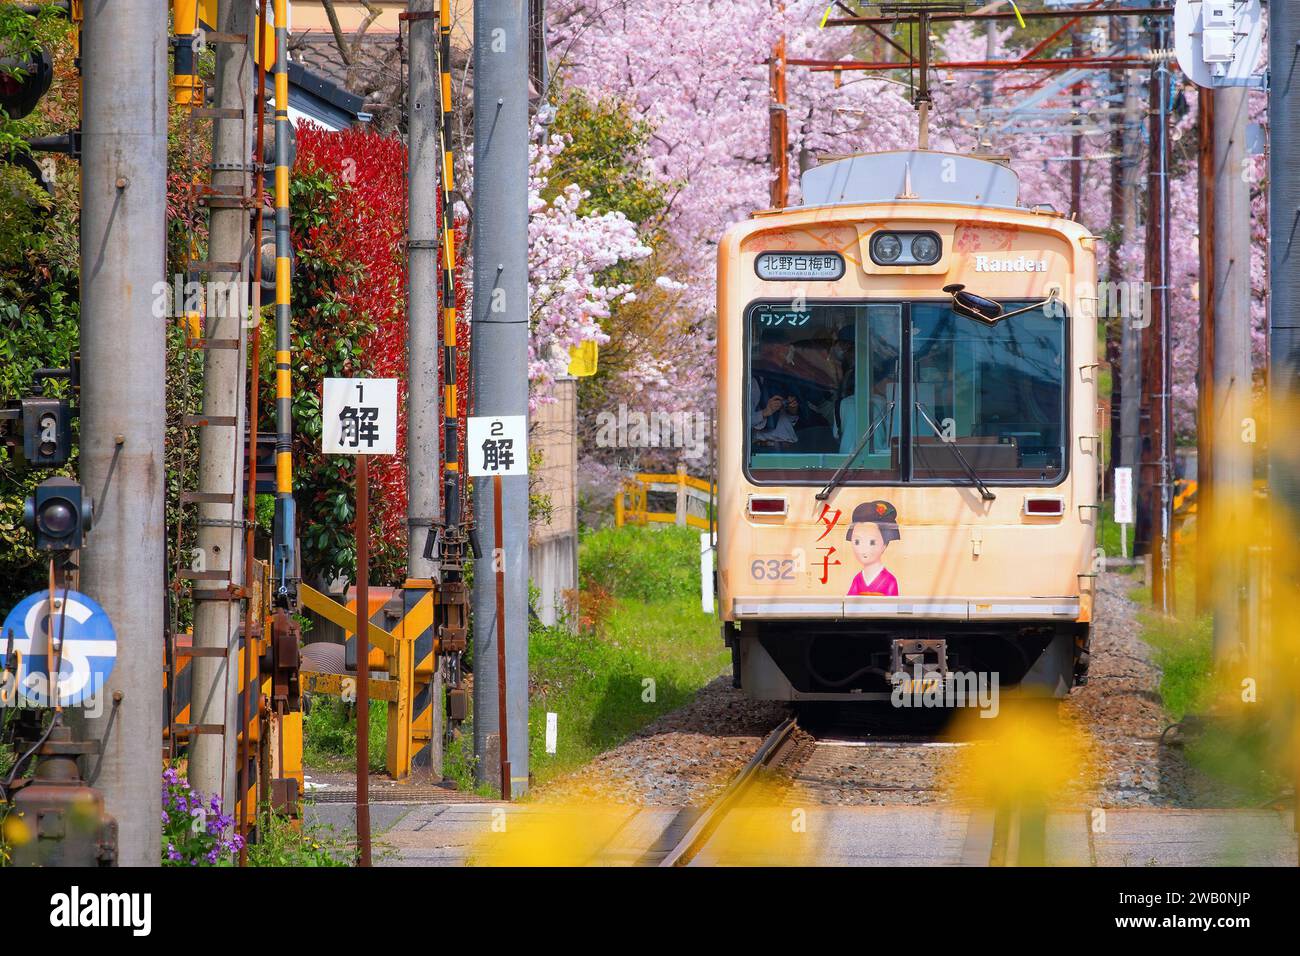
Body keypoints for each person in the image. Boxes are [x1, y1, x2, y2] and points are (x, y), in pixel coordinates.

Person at [845, 499, 901, 596]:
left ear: (884, 545)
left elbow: (891, 607)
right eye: (857, 541)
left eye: (872, 542)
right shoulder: (858, 579)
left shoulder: (889, 580)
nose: (863, 549)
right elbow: (849, 604)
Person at [750, 374, 801, 447]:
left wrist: (792, 411)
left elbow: (787, 421)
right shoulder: (752, 383)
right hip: (763, 448)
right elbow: (742, 422)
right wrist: (765, 412)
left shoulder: (785, 379)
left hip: (789, 447)